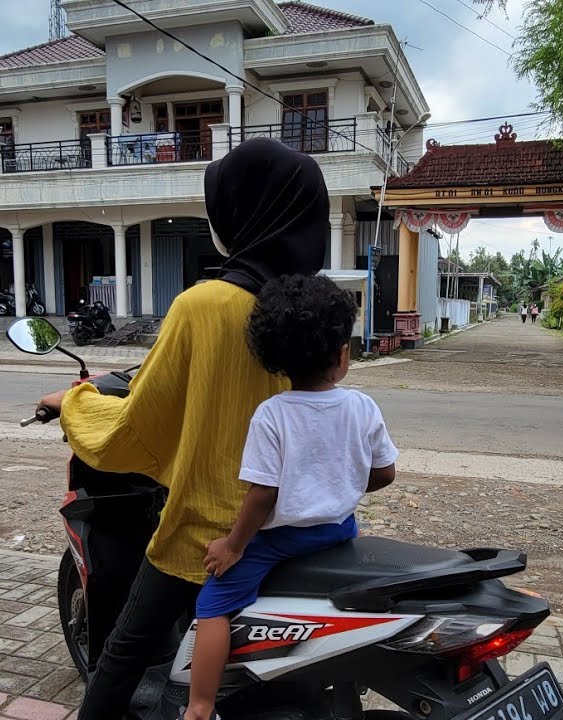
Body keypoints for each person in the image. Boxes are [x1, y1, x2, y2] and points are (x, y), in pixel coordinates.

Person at [34, 138, 331, 719]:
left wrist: (74, 403)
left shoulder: (205, 304)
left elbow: (141, 424)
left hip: (212, 528)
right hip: (310, 525)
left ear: (242, 212)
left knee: (123, 650)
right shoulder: (317, 308)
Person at [184, 274, 398, 720]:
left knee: (212, 603)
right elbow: (384, 473)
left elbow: (263, 494)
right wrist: (343, 487)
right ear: (342, 356)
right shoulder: (363, 406)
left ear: (275, 358)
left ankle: (200, 707)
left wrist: (232, 545)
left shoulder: (273, 413)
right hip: (340, 532)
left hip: (281, 540)